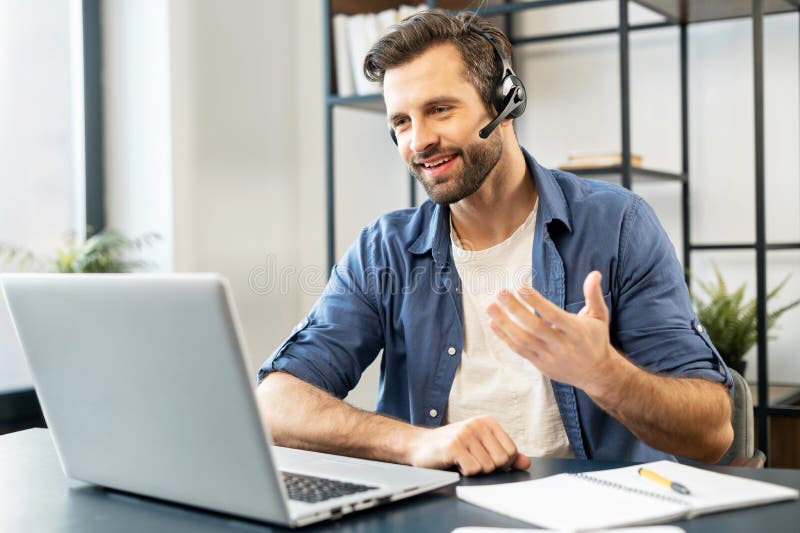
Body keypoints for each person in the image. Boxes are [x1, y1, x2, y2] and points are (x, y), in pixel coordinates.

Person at [256, 10, 733, 476]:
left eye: (439, 109)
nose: (419, 141)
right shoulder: (386, 249)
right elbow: (276, 403)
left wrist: (603, 372)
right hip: (443, 511)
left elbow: (712, 434)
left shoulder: (617, 224)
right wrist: (416, 443)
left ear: (505, 102)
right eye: (401, 122)